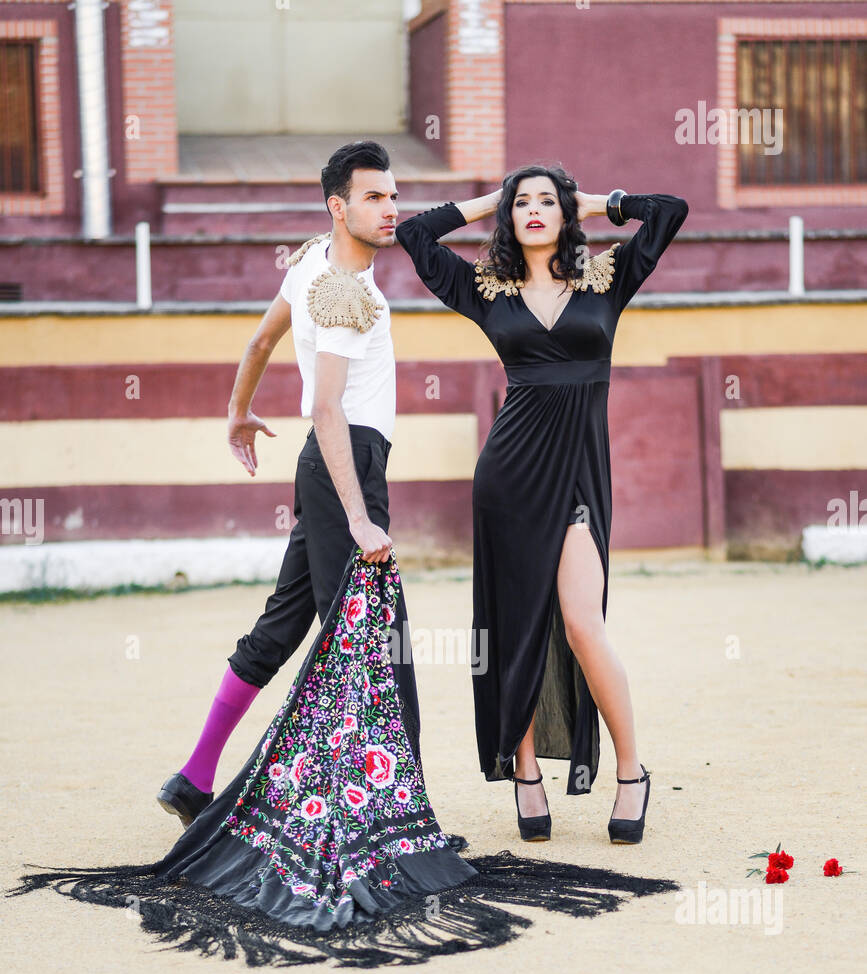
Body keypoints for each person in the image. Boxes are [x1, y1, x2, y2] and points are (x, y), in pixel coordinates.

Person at [394, 169, 688, 845]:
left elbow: (669, 209)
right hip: (510, 476)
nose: (533, 210)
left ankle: (631, 772)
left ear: (565, 212)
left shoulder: (606, 277)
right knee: (517, 626)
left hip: (579, 474)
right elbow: (414, 235)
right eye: (521, 202)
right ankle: (524, 773)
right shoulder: (485, 288)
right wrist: (490, 201)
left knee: (583, 624)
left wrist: (600, 203)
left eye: (546, 201)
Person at [158, 139, 416, 828]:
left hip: (323, 466)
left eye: (393, 195)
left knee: (283, 627)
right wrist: (358, 517)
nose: (391, 208)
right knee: (364, 640)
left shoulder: (308, 261)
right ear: (338, 206)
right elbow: (328, 409)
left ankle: (193, 779)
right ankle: (372, 815)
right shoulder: (347, 292)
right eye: (373, 197)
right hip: (347, 464)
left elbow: (259, 343)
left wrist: (238, 411)